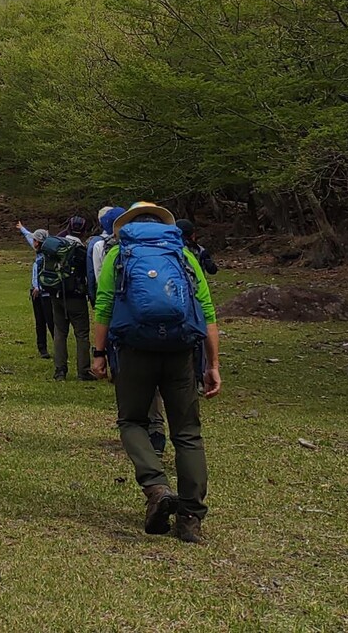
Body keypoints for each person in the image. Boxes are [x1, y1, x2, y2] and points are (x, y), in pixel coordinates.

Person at [90, 202, 220, 544]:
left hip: (133, 351)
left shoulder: (119, 257)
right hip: (180, 351)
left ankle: (157, 487)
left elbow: (104, 305)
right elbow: (206, 310)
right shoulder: (184, 256)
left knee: (132, 421)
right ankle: (190, 518)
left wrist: (99, 353)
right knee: (188, 433)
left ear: (129, 226)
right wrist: (213, 364)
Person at [91, 205, 168, 456]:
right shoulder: (178, 251)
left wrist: (99, 351)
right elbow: (204, 304)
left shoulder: (116, 252)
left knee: (129, 385)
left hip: (128, 329)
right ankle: (158, 433)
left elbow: (103, 299)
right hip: (172, 331)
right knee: (160, 385)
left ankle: (138, 436)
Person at [39, 227, 92, 381]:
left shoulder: (56, 246)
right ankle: (83, 371)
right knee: (81, 334)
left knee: (60, 332)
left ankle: (60, 370)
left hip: (56, 294)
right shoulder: (80, 250)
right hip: (76, 296)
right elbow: (87, 273)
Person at [17, 222, 53, 359]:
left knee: (50, 321)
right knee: (39, 321)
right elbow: (28, 236)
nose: (33, 242)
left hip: (45, 294)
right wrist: (22, 228)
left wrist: (39, 287)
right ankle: (42, 348)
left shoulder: (46, 256)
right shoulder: (38, 251)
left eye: (35, 240)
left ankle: (58, 347)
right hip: (36, 293)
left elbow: (45, 274)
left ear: (39, 242)